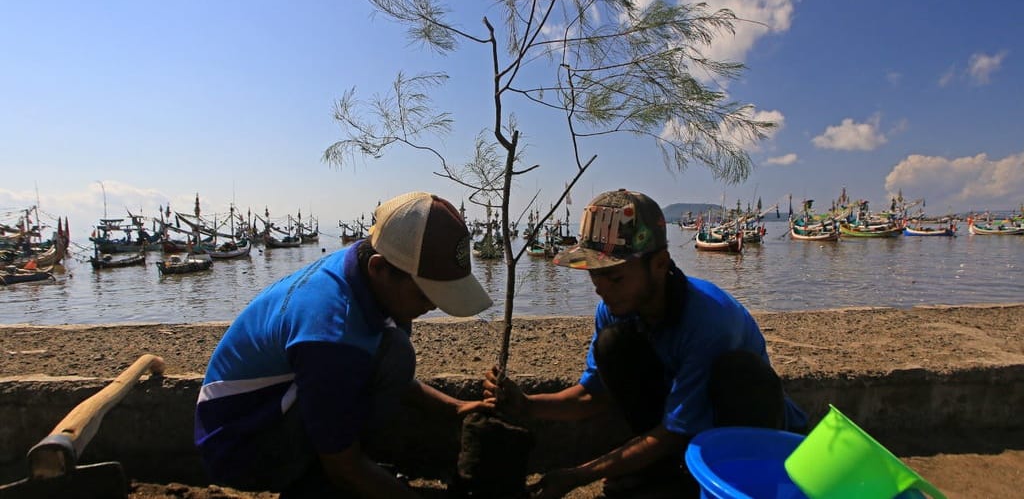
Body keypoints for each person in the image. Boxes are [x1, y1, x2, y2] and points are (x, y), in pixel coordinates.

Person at [484, 188, 807, 498]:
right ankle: (665, 472)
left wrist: (578, 475)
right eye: (595, 275)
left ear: (660, 264)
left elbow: (676, 430)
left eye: (616, 277)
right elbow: (592, 395)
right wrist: (526, 405)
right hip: (678, 430)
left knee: (740, 370)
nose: (601, 289)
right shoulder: (614, 310)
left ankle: (723, 478)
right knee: (613, 344)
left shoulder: (710, 322)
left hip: (746, 431)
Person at [195, 192, 494, 498]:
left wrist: (455, 408)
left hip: (279, 406)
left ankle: (336, 467)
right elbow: (344, 467)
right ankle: (312, 482)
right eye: (424, 294)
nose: (433, 306)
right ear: (379, 268)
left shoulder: (362, 269)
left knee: (394, 351)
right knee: (388, 360)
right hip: (243, 445)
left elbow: (385, 372)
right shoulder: (329, 333)